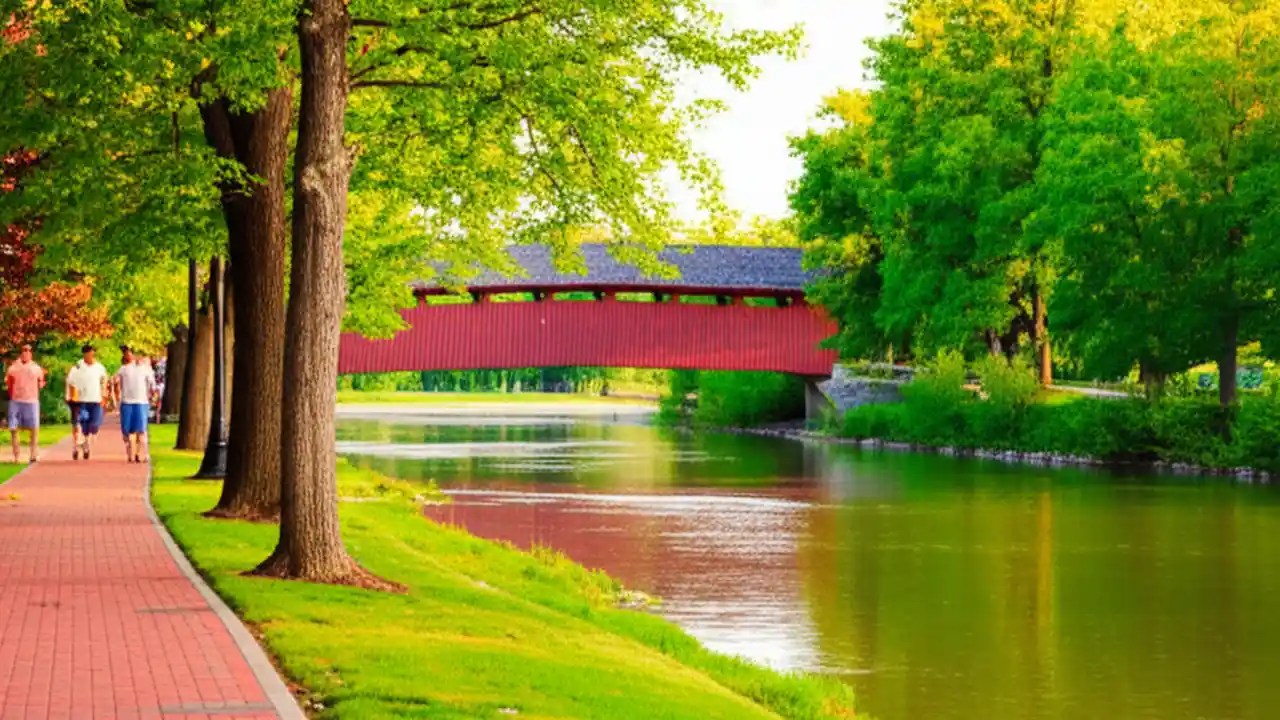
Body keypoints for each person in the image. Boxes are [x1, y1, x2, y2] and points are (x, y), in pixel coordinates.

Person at [114, 346, 157, 463]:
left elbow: (152, 384)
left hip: (141, 402)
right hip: (127, 402)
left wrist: (153, 396)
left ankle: (139, 453)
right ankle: (130, 452)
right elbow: (115, 381)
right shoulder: (124, 369)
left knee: (141, 430)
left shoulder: (146, 369)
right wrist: (116, 396)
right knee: (127, 431)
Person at [65, 344, 108, 461]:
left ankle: (85, 444)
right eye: (88, 354)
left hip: (95, 400)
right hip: (81, 401)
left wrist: (104, 394)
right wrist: (69, 396)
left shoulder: (99, 367)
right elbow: (70, 381)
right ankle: (79, 447)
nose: (90, 356)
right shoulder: (78, 367)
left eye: (92, 353)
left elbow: (104, 380)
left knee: (94, 427)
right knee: (79, 424)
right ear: (84, 354)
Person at [5, 344, 46, 464]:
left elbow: (40, 383)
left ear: (31, 353)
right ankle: (16, 455)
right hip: (16, 401)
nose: (26, 352)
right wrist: (13, 396)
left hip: (32, 401)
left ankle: (33, 454)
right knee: (13, 428)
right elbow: (9, 383)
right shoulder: (13, 368)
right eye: (23, 350)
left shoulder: (36, 368)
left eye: (28, 350)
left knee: (34, 428)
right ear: (20, 352)